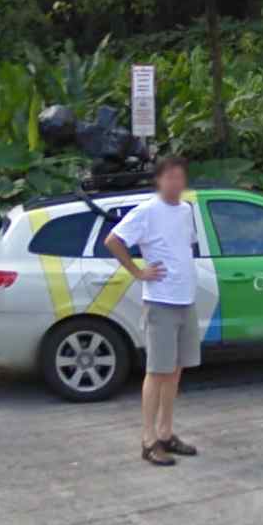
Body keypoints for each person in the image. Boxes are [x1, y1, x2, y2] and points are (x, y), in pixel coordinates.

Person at [103, 155, 202, 466]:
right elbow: (113, 240)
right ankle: (148, 440)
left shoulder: (186, 210)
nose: (176, 182)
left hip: (186, 300)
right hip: (160, 302)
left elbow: (186, 247)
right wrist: (137, 271)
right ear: (159, 180)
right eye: (170, 176)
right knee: (157, 372)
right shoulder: (146, 211)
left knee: (175, 371)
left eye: (180, 176)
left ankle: (166, 433)